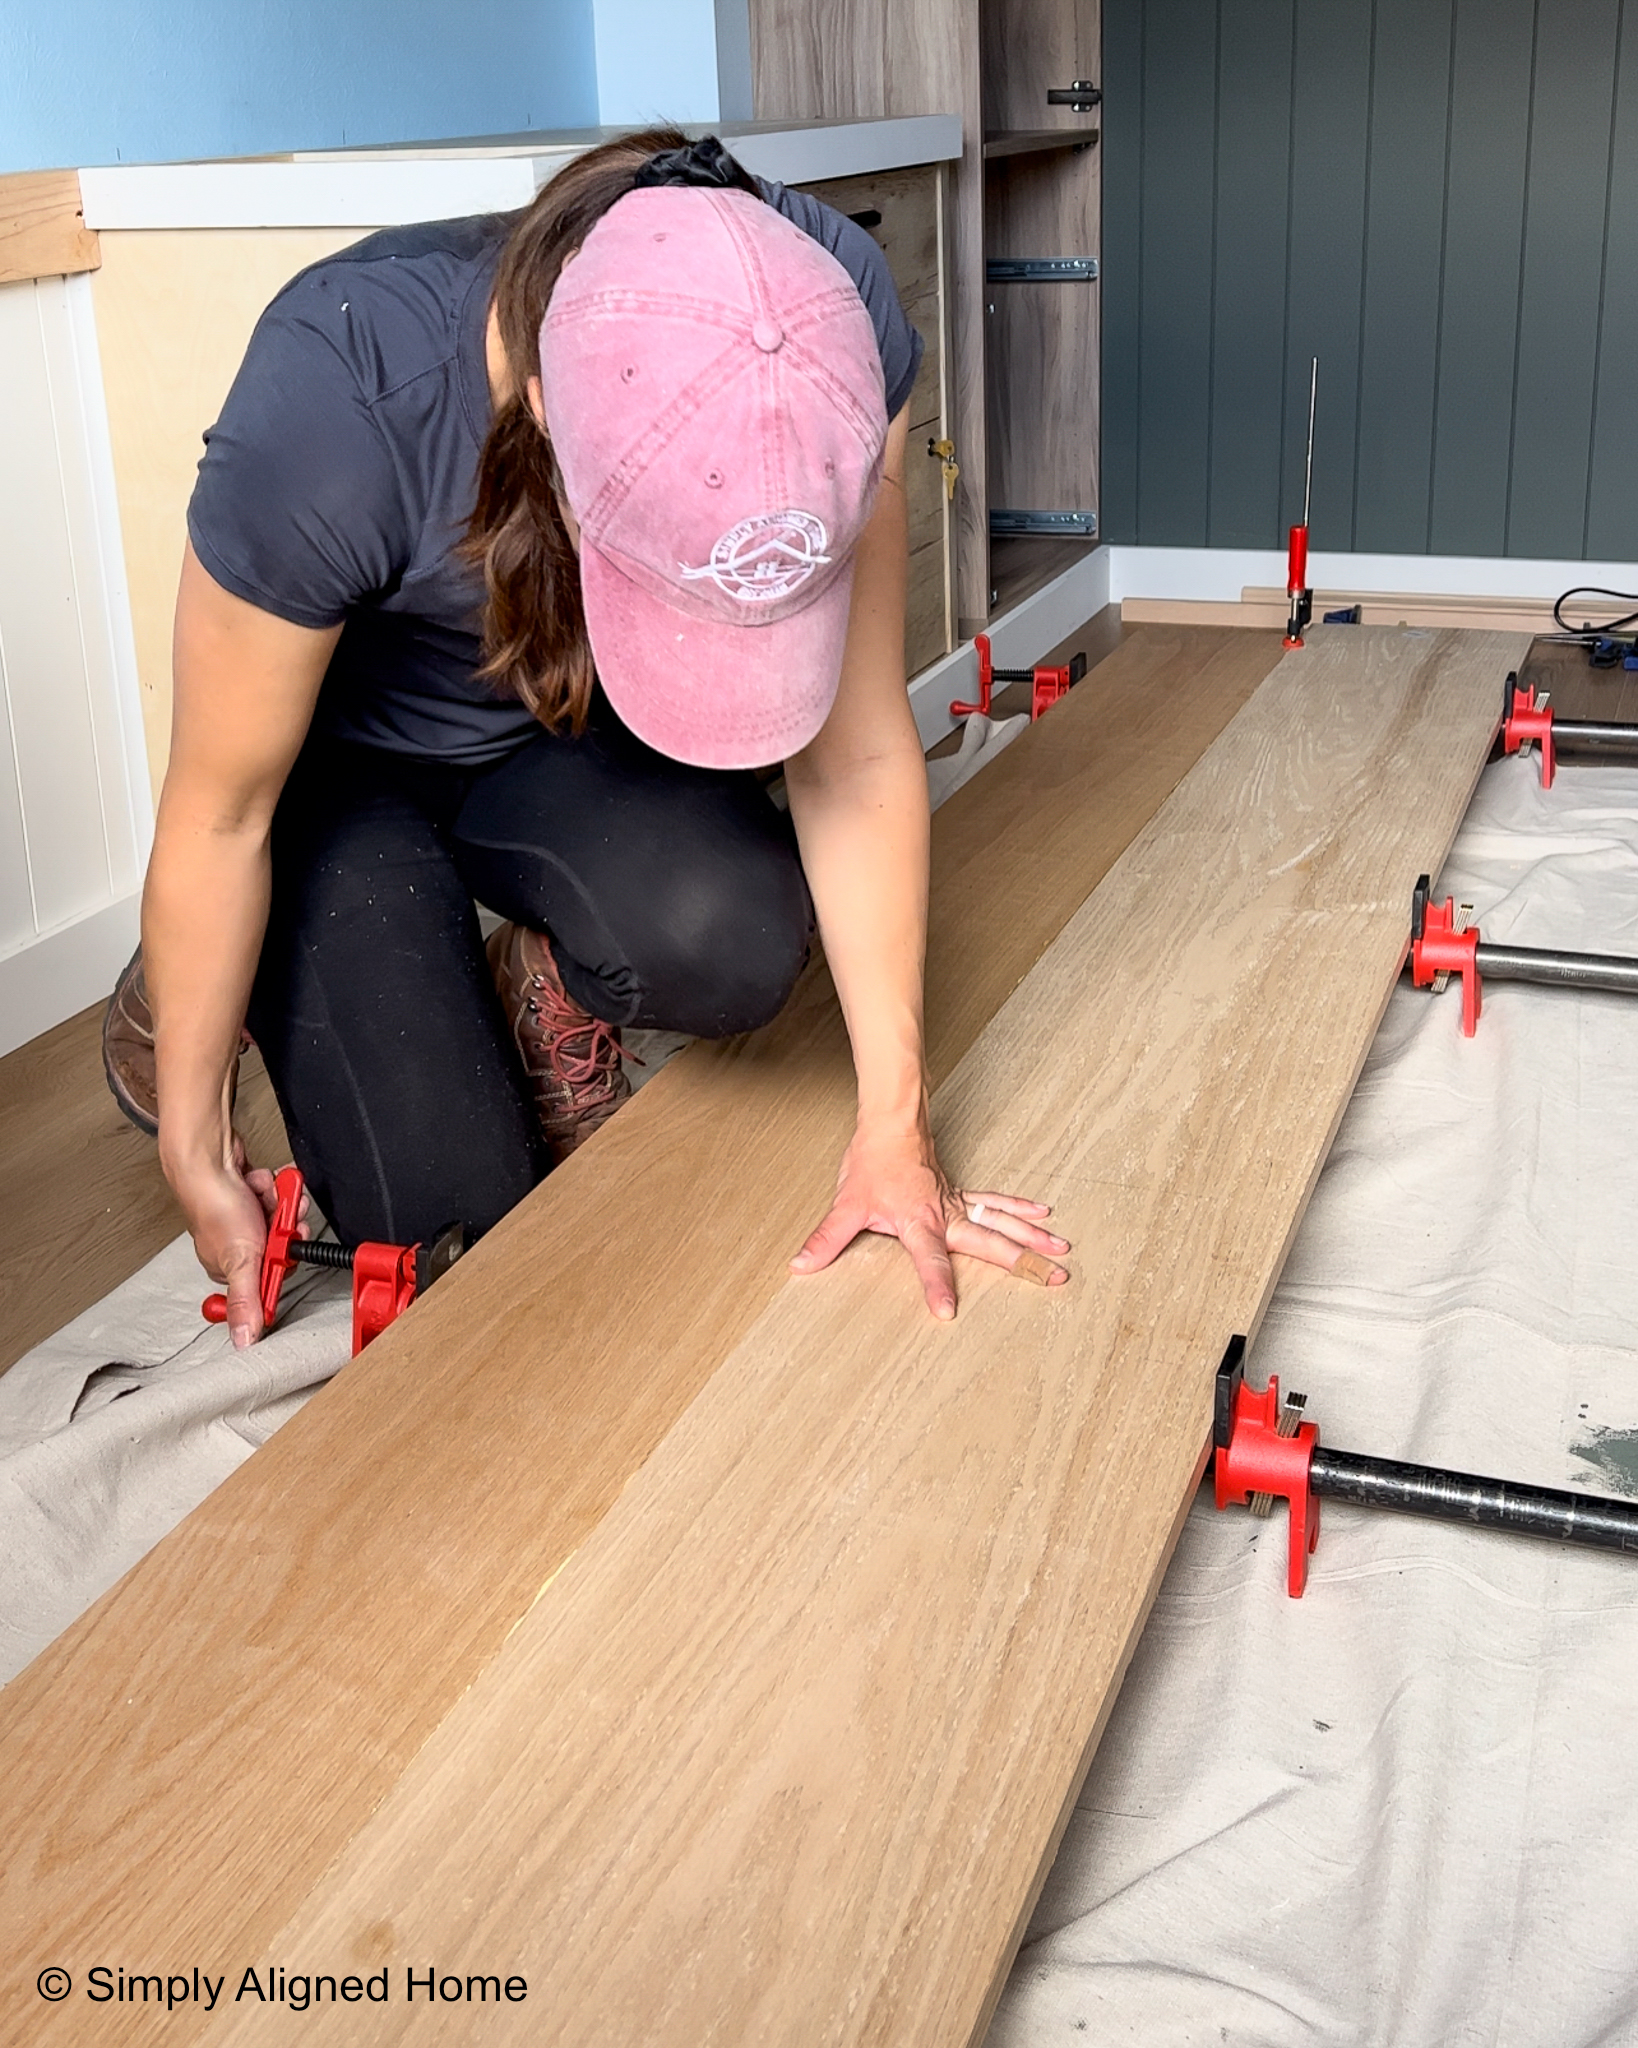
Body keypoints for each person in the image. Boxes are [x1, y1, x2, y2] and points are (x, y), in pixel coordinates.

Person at [103, 128, 1070, 1349]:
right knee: (455, 1221)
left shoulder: (822, 321)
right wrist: (193, 1144)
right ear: (548, 418)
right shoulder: (337, 397)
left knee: (740, 937)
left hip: (557, 720)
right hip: (338, 778)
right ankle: (203, 975)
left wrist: (897, 1125)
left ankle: (529, 973)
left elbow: (861, 746)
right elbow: (220, 808)